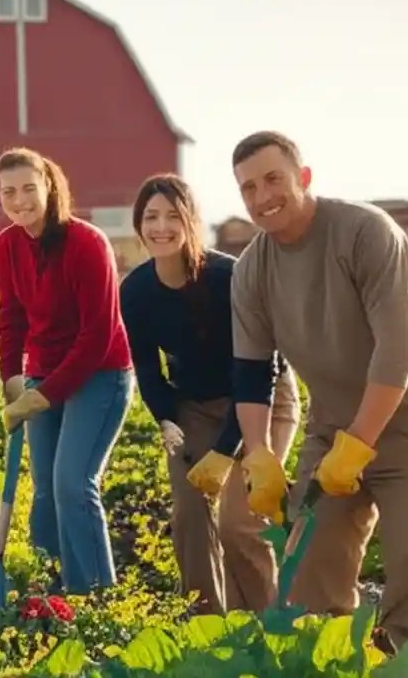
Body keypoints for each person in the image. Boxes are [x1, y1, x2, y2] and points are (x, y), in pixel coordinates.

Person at [229, 130, 408, 670]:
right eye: (248, 188)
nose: (262, 196)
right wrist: (260, 453)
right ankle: (329, 666)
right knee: (309, 571)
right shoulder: (252, 271)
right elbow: (250, 370)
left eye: (272, 179)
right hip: (332, 428)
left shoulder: (365, 233)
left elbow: (398, 345)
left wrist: (360, 442)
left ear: (303, 177)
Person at [119, 173, 300, 615]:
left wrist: (225, 449)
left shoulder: (226, 278)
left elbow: (257, 371)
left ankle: (267, 626)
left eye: (172, 216)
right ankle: (209, 628)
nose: (161, 227)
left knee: (239, 523)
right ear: (139, 224)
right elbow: (147, 368)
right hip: (192, 408)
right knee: (189, 518)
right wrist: (166, 419)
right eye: (150, 217)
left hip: (260, 399)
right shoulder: (136, 290)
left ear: (191, 221)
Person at [0, 146, 134, 594]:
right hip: (43, 376)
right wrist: (14, 380)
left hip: (99, 375)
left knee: (72, 483)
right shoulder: (8, 243)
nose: (19, 200)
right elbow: (11, 316)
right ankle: (49, 597)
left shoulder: (86, 243)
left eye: (29, 189)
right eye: (8, 191)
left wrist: (44, 395)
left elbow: (96, 335)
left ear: (49, 187)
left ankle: (96, 599)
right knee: (46, 495)